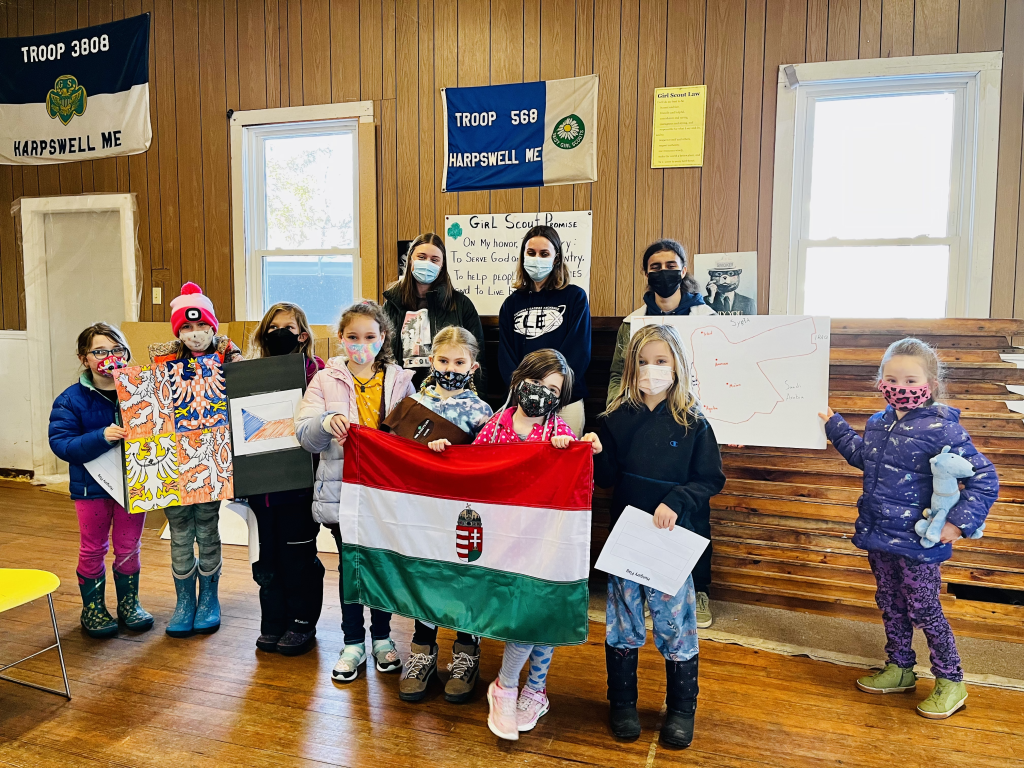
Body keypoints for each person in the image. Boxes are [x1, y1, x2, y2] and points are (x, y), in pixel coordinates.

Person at [821, 338, 998, 720]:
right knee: (890, 603)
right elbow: (864, 457)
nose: (899, 386)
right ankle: (900, 667)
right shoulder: (878, 422)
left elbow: (984, 478)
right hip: (879, 534)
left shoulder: (943, 429)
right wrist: (834, 424)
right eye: (891, 378)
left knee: (925, 609)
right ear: (880, 381)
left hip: (919, 543)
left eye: (910, 380)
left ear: (930, 385)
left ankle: (951, 681)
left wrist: (957, 524)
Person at [594, 324, 725, 749]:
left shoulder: (694, 423)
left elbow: (710, 478)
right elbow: (606, 479)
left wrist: (676, 500)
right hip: (627, 541)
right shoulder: (614, 419)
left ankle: (683, 708)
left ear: (677, 365)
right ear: (631, 367)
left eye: (661, 361)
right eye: (643, 361)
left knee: (676, 628)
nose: (651, 369)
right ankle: (622, 703)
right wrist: (596, 452)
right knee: (622, 625)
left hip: (671, 542)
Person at [470, 349, 602, 740]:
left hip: (545, 542)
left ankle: (527, 689)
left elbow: (581, 487)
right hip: (504, 541)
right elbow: (471, 470)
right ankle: (512, 686)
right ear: (519, 380)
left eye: (553, 390)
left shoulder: (560, 432)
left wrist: (577, 453)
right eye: (537, 383)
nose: (543, 393)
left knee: (542, 611)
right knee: (526, 613)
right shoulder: (495, 426)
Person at [295, 300, 415, 682]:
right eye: (352, 337)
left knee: (381, 565)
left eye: (369, 336)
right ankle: (352, 642)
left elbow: (412, 434)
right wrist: (325, 422)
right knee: (351, 566)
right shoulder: (324, 380)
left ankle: (381, 637)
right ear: (340, 338)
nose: (361, 344)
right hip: (342, 491)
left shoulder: (401, 381)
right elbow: (304, 434)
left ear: (383, 337)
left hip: (385, 493)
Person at [607, 239, 716, 628]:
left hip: (686, 417)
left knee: (692, 519)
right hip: (640, 416)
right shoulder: (632, 321)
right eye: (655, 266)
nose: (664, 272)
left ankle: (697, 588)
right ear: (645, 272)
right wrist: (617, 415)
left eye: (671, 265)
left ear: (684, 269)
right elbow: (619, 372)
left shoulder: (708, 315)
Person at [395, 326, 494, 704]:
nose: (450, 368)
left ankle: (467, 652)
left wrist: (453, 454)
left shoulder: (482, 411)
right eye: (443, 360)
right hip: (421, 510)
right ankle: (422, 649)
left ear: (473, 367)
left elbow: (486, 462)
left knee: (462, 578)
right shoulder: (412, 403)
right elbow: (394, 451)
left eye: (459, 362)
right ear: (431, 361)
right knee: (424, 576)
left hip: (461, 513)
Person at [150, 283, 244, 638]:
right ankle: (184, 601)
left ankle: (208, 598)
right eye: (186, 327)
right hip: (174, 460)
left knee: (206, 527)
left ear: (213, 326)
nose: (195, 333)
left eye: (201, 325)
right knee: (178, 530)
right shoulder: (163, 360)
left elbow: (245, 396)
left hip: (211, 460)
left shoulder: (228, 356)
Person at [49, 323, 153, 638]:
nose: (110, 357)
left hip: (133, 485)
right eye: (99, 351)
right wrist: (101, 436)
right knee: (93, 547)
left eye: (117, 349)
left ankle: (129, 604)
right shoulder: (70, 400)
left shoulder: (140, 391)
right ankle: (92, 608)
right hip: (90, 489)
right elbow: (62, 444)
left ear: (126, 353)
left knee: (129, 546)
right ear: (84, 358)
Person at [246, 302, 326, 656]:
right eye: (273, 327)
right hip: (260, 490)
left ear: (303, 335)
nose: (280, 334)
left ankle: (302, 622)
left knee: (298, 556)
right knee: (267, 559)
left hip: (299, 485)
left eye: (288, 328)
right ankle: (273, 622)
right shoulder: (250, 374)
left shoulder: (317, 374)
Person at [497, 226, 591, 438]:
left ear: (556, 259)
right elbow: (506, 355)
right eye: (531, 253)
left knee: (563, 455)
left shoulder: (575, 297)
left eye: (544, 253)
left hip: (564, 400)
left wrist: (552, 389)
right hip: (523, 401)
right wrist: (525, 390)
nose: (537, 259)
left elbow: (579, 352)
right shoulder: (511, 304)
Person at [383, 233, 487, 391]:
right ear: (410, 260)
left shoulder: (460, 304)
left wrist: (478, 396)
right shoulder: (392, 304)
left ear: (442, 265)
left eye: (434, 260)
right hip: (401, 392)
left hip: (448, 392)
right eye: (421, 257)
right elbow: (382, 353)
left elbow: (478, 355)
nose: (427, 263)